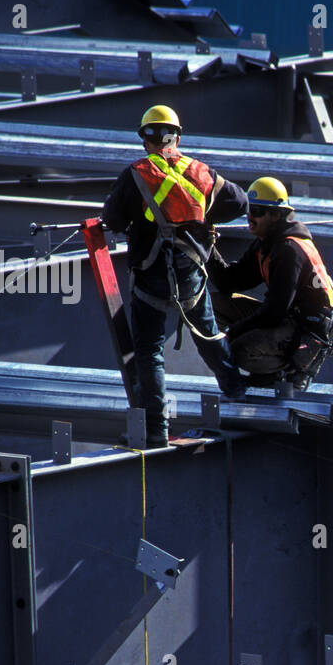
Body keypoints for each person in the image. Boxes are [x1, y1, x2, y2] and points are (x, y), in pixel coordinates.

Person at [101, 105, 249, 446]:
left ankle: (156, 429)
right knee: (209, 335)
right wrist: (204, 214)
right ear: (177, 137)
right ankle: (236, 391)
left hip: (149, 279)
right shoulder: (201, 172)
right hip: (191, 278)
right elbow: (240, 203)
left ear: (145, 139)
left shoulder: (137, 174)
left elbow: (113, 219)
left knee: (150, 351)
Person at [208, 176, 333, 388]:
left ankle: (283, 372)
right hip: (288, 318)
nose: (250, 217)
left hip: (306, 329)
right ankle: (271, 369)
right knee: (213, 304)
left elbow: (275, 311)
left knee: (240, 349)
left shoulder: (289, 250)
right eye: (249, 210)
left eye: (257, 212)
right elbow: (228, 282)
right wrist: (206, 244)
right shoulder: (266, 245)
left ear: (275, 215)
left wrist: (233, 331)